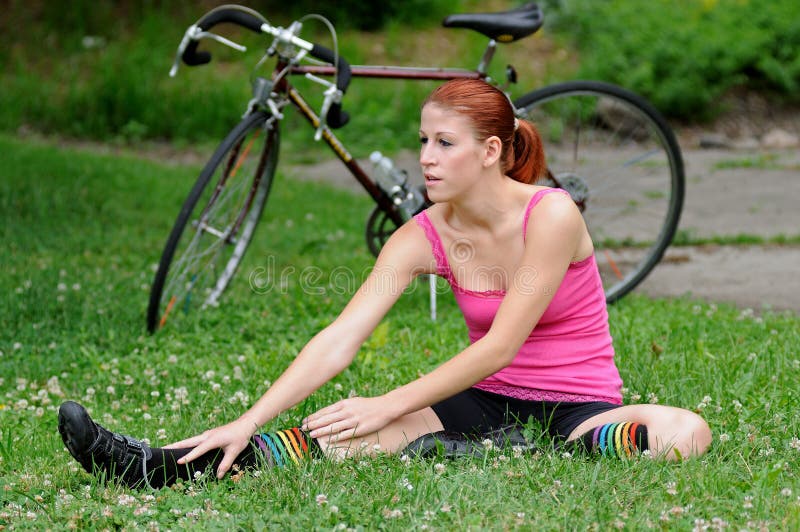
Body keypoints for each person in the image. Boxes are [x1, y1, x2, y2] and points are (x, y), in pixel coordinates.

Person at [58, 79, 712, 489]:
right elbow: (340, 337)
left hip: (580, 408)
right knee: (341, 441)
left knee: (684, 434)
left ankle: (543, 453)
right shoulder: (423, 234)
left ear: (490, 151)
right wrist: (250, 416)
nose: (425, 157)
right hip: (482, 403)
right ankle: (158, 465)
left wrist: (388, 401)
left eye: (445, 143)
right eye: (423, 140)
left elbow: (500, 345)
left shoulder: (552, 215)